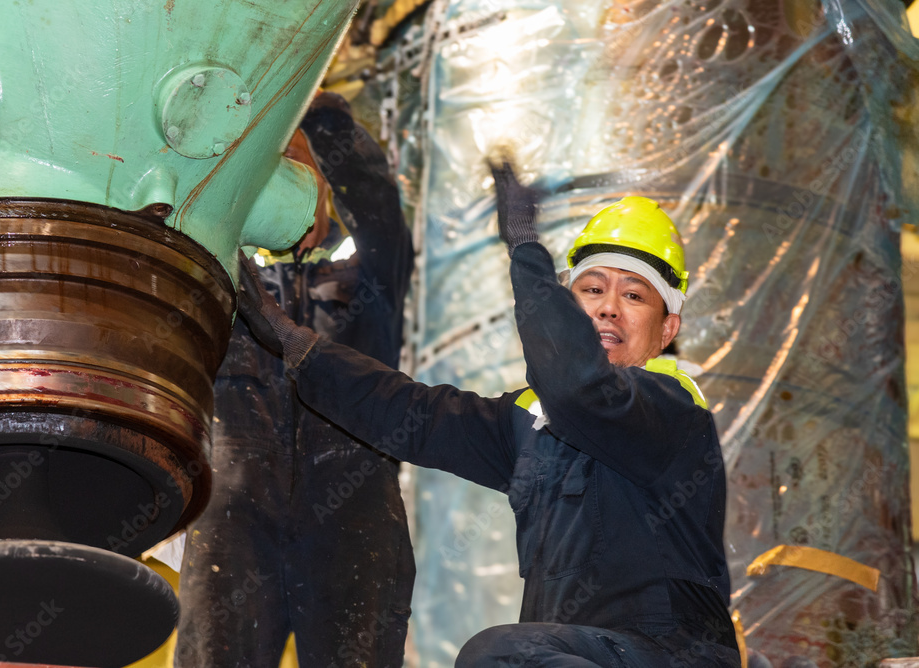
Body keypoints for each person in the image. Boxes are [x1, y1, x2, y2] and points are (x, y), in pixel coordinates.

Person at [240, 160, 740, 667]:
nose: (609, 307)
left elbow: (577, 389)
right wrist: (296, 346)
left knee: (502, 654)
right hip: (566, 655)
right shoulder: (528, 422)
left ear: (667, 330)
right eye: (592, 290)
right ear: (570, 308)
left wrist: (525, 249)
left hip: (673, 656)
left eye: (634, 295)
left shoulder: (673, 409)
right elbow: (414, 415)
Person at [174, 93, 416, 668]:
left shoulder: (370, 261)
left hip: (352, 495)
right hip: (234, 501)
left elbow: (374, 195)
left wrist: (315, 115)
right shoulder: (219, 254)